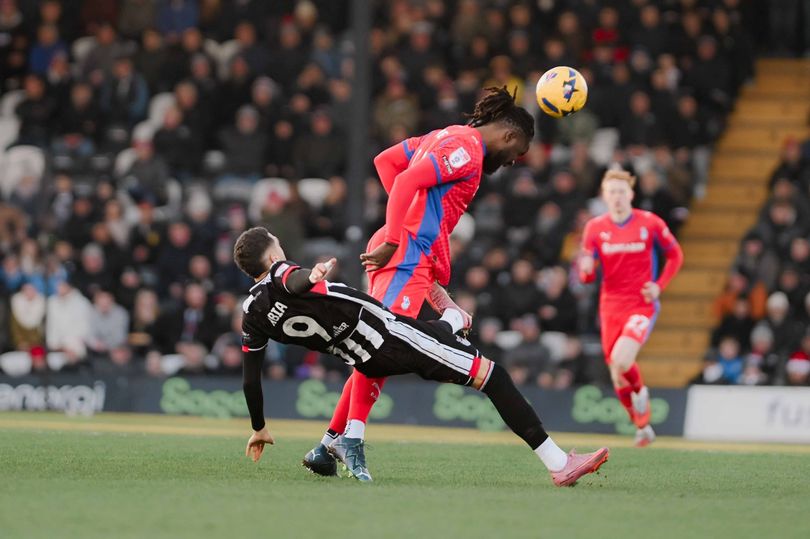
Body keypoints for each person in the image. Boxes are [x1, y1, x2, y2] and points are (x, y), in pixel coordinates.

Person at [234, 227, 609, 486]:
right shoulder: (282, 272)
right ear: (271, 253)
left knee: (439, 335)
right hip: (388, 336)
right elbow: (290, 281)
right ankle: (559, 464)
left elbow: (251, 378)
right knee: (492, 376)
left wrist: (258, 426)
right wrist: (311, 275)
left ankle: (338, 438)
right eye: (278, 245)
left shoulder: (251, 311)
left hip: (362, 356)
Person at [304, 87, 535, 480]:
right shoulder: (467, 149)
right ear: (511, 136)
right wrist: (399, 235)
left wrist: (405, 222)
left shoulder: (443, 135)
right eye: (519, 152)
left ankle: (327, 446)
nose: (514, 161)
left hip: (409, 254)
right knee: (380, 348)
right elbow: (408, 179)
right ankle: (349, 439)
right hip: (404, 256)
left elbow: (386, 161)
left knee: (378, 346)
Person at [579, 169, 684, 447]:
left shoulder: (649, 223)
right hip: (610, 306)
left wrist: (659, 285)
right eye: (611, 192)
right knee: (616, 372)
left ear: (631, 195)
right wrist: (586, 270)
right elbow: (586, 275)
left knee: (623, 361)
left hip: (640, 303)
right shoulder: (594, 228)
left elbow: (675, 255)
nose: (616, 197)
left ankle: (641, 392)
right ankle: (642, 426)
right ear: (604, 196)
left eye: (621, 192)